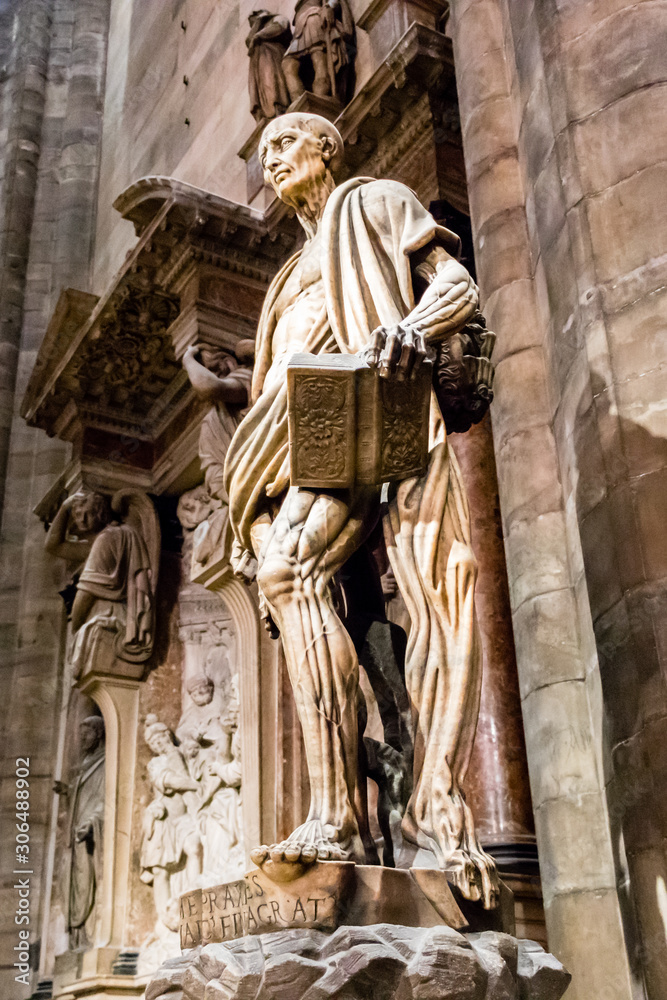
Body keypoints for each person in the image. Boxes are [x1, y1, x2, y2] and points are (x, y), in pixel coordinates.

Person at [204, 113, 496, 907]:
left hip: (355, 405)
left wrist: (405, 330)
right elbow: (273, 376)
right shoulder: (284, 275)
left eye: (285, 145)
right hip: (284, 435)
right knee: (293, 582)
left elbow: (456, 286)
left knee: (289, 570)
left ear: (327, 150)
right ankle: (353, 807)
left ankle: (339, 814)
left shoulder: (373, 203)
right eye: (262, 151)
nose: (270, 159)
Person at [45, 490, 154, 676]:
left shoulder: (107, 539)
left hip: (107, 617)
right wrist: (65, 508)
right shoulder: (107, 539)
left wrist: (76, 629)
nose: (82, 520)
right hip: (112, 617)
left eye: (87, 514)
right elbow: (53, 546)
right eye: (77, 515)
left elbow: (85, 594)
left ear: (100, 512)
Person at [140, 716, 202, 930]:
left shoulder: (182, 754)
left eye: (160, 740)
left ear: (167, 735)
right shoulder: (156, 763)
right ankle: (164, 919)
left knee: (194, 848)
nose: (158, 746)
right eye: (154, 745)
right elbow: (168, 781)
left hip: (186, 818)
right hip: (165, 819)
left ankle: (195, 899)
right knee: (160, 870)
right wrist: (193, 785)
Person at [55, 716, 105, 949]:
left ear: (99, 734)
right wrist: (68, 791)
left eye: (88, 734)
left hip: (88, 834)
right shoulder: (86, 763)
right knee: (71, 884)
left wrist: (92, 822)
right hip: (75, 837)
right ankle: (77, 939)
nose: (83, 739)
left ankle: (88, 937)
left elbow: (105, 798)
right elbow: (83, 792)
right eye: (81, 734)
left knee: (86, 885)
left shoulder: (105, 762)